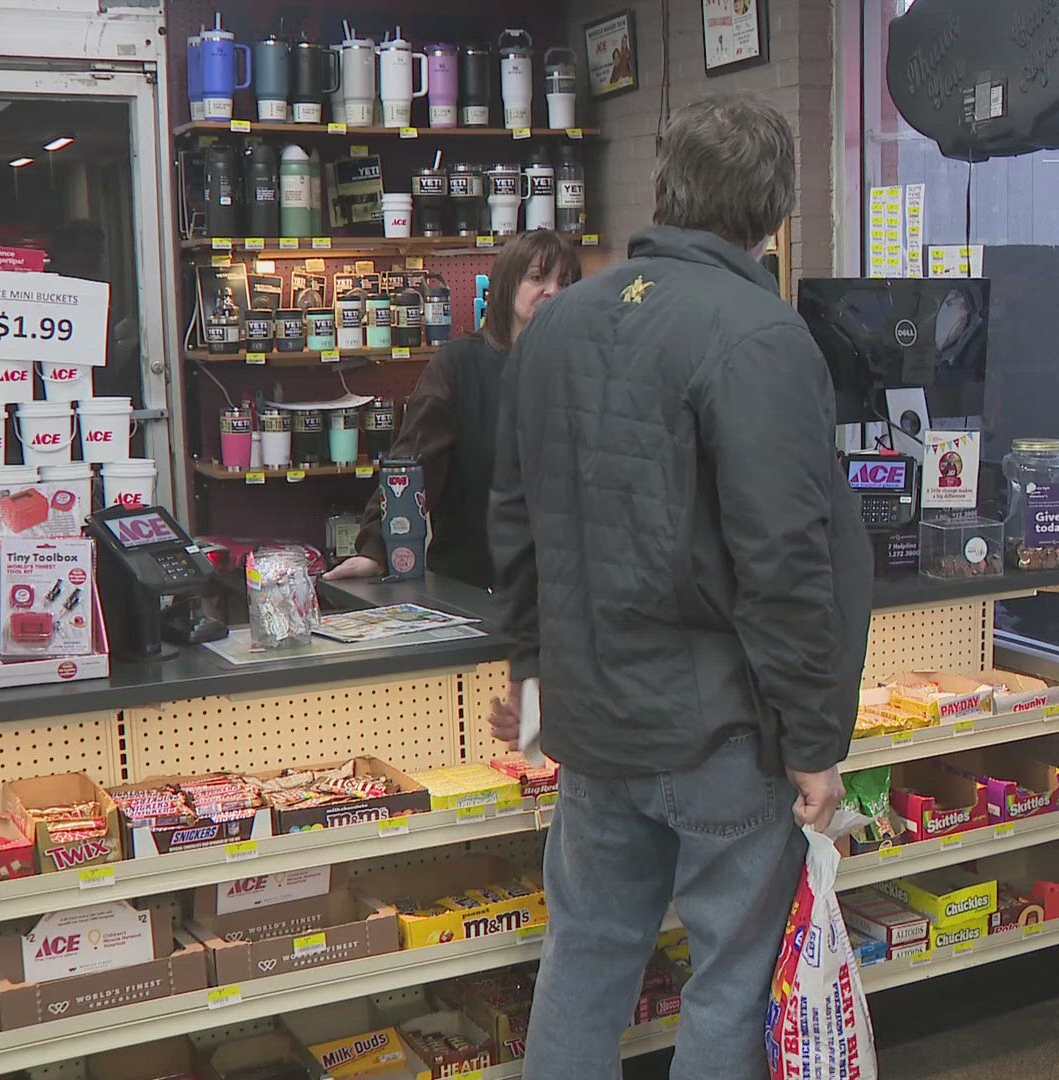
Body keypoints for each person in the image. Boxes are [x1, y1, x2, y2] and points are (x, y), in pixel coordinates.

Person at [488, 93, 872, 1079]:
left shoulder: (555, 328)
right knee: (729, 985)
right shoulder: (761, 336)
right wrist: (816, 744)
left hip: (594, 718)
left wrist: (535, 674)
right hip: (722, 735)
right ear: (775, 215)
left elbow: (517, 521)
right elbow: (786, 560)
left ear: (662, 192)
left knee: (584, 962)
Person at [326, 230, 582, 587]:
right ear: (507, 284)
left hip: (566, 589)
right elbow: (413, 464)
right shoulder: (460, 365)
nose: (553, 291)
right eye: (538, 278)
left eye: (565, 283)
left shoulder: (585, 368)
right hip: (473, 582)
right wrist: (376, 548)